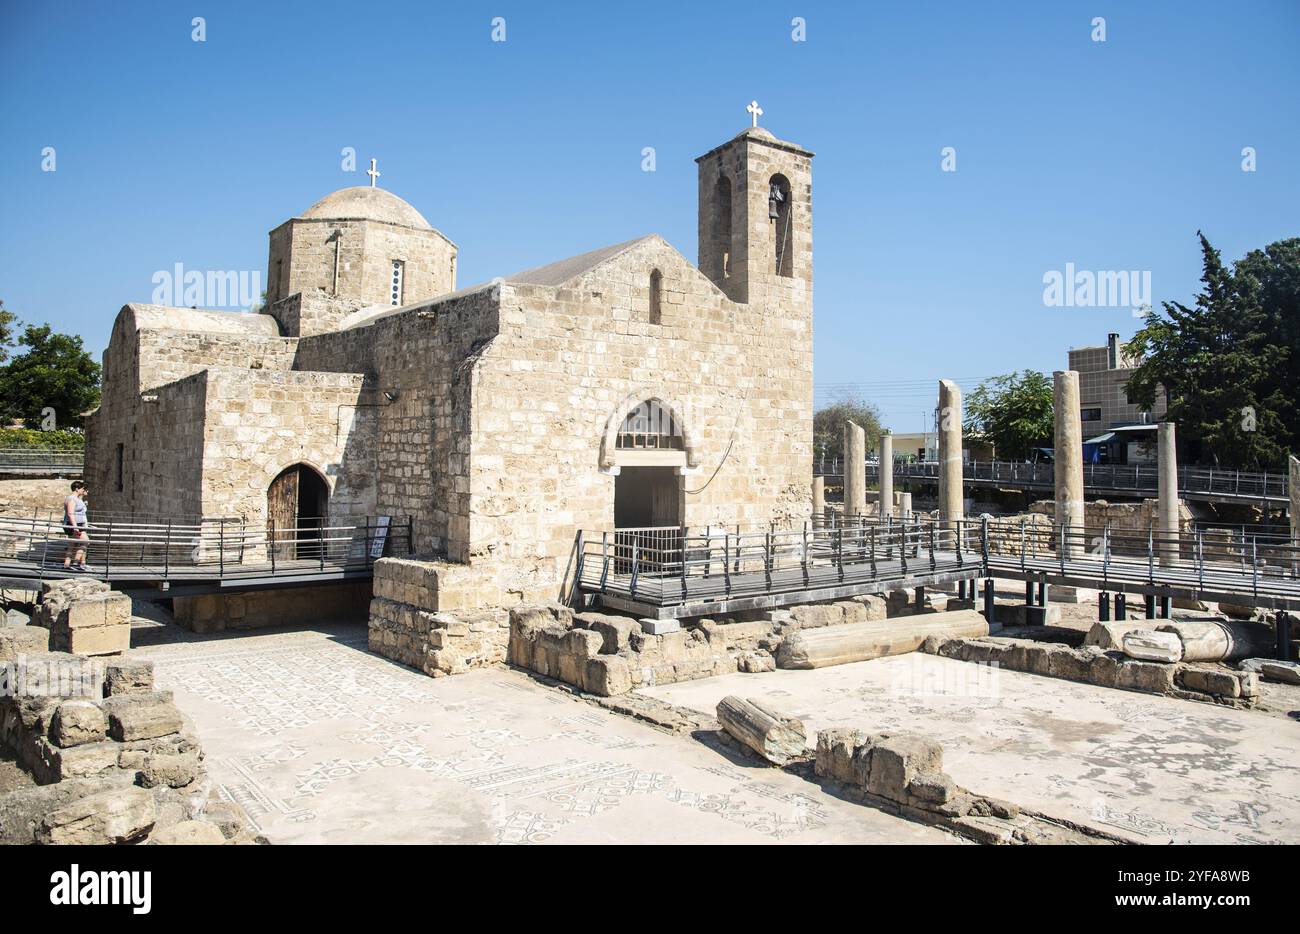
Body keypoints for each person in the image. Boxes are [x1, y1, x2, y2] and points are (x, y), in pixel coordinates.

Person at [62, 480, 90, 571]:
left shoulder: (76, 498)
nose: (83, 490)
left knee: (72, 544)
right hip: (74, 525)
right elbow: (70, 513)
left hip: (78, 525)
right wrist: (75, 527)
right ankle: (76, 562)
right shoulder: (71, 499)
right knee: (86, 541)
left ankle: (67, 565)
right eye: (82, 488)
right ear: (77, 489)